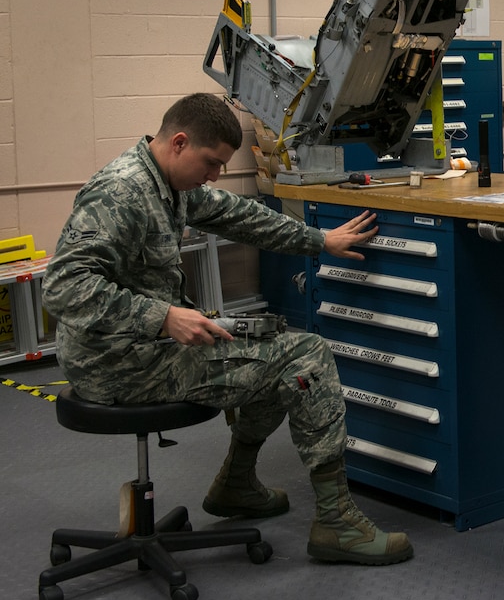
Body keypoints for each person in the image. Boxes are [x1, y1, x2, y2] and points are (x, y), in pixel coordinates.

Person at [41, 93, 413, 566]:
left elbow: (240, 215)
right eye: (212, 162)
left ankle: (236, 485)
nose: (216, 175)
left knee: (270, 341)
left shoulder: (167, 186)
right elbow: (62, 287)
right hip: (116, 362)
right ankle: (336, 523)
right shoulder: (122, 192)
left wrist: (320, 240)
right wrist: (162, 317)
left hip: (139, 346)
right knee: (307, 355)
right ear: (179, 142)